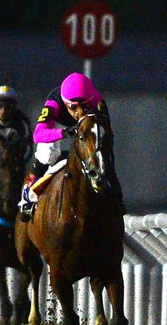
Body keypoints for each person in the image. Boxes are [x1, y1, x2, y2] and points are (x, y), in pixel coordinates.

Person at [19, 72, 123, 218]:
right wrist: (64, 132)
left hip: (87, 125)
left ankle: (116, 194)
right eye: (74, 108)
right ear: (66, 103)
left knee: (101, 150)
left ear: (90, 100)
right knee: (47, 153)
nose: (79, 112)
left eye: (85, 106)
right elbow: (38, 135)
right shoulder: (53, 103)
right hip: (61, 126)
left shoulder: (98, 101)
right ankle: (27, 194)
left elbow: (108, 134)